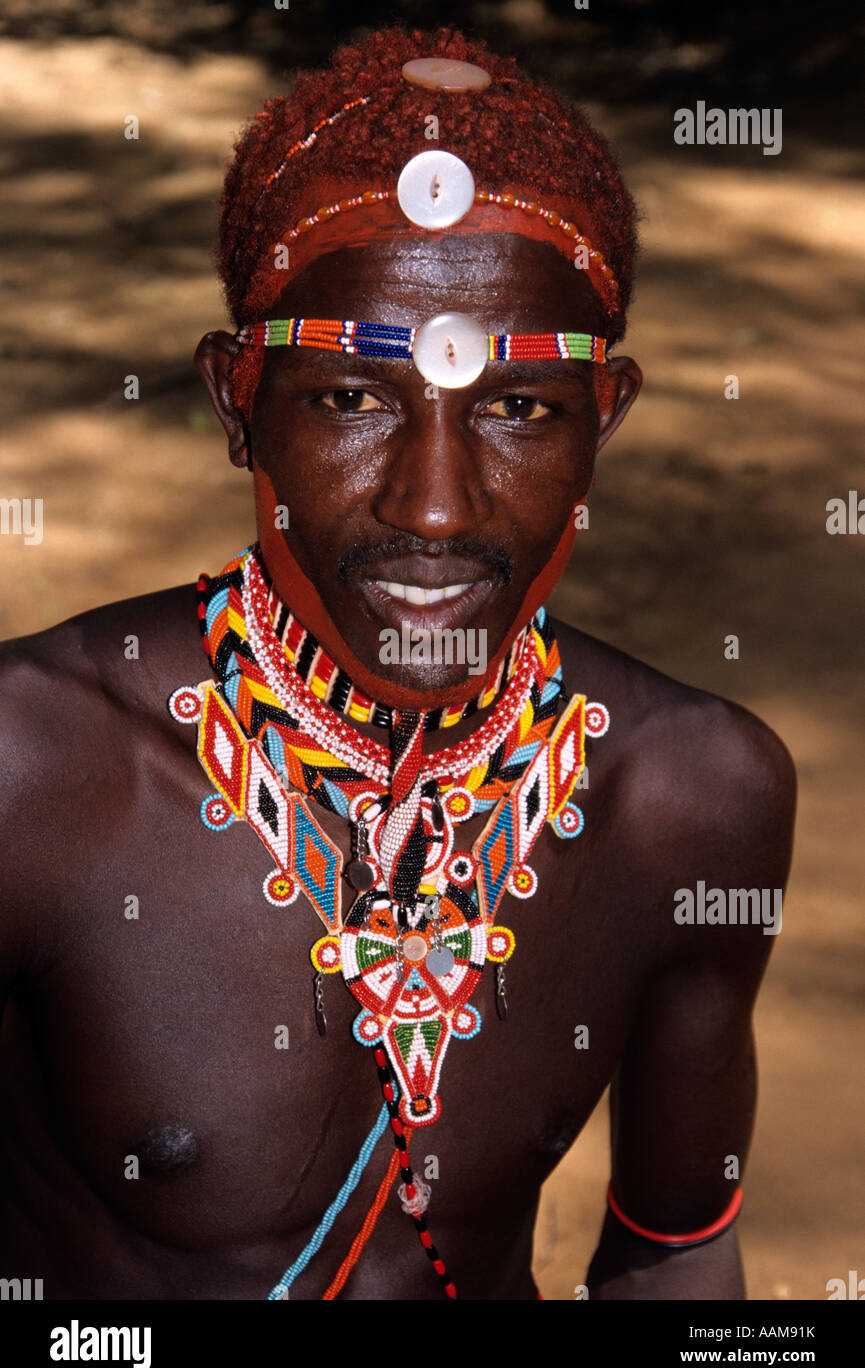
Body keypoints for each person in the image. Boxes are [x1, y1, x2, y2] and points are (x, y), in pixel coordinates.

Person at [0, 27, 795, 1301]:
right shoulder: (33, 767)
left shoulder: (694, 797)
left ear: (607, 418)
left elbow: (676, 1252)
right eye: (353, 399)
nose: (435, 508)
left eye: (517, 407)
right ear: (234, 399)